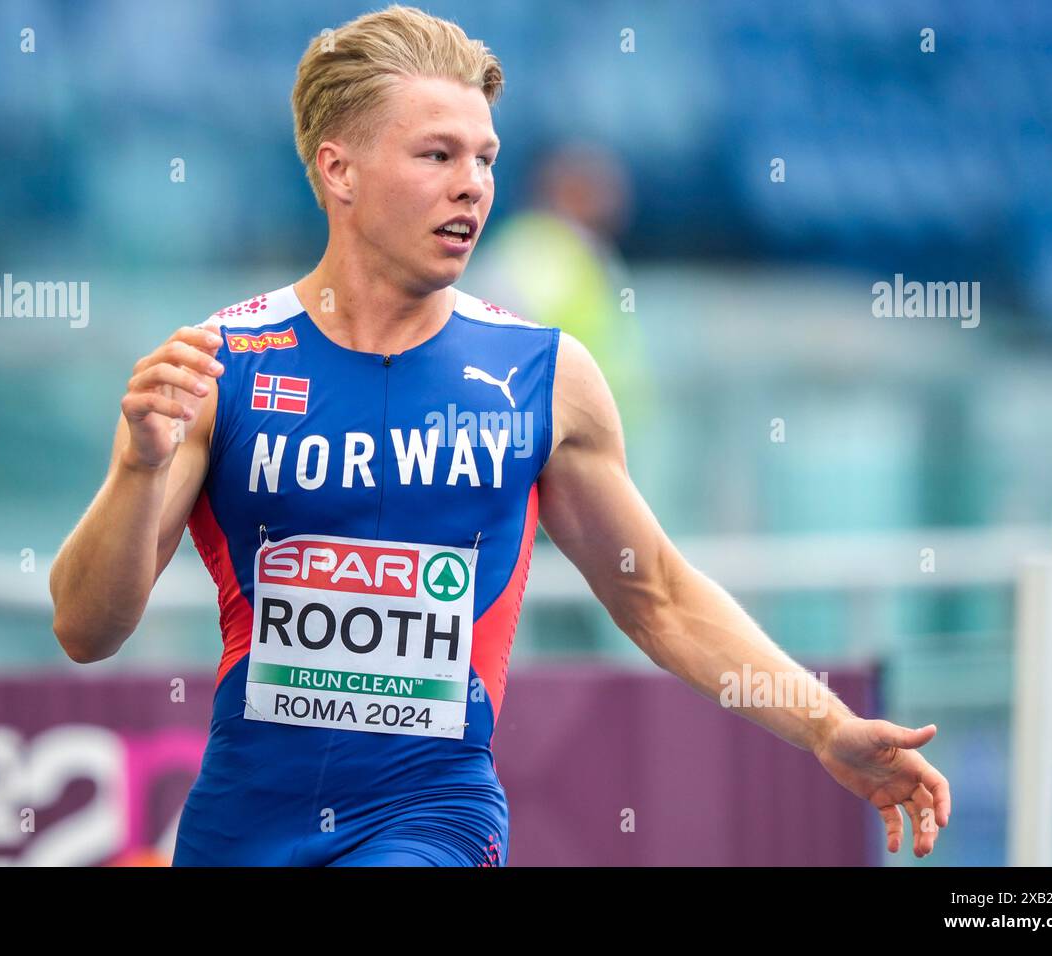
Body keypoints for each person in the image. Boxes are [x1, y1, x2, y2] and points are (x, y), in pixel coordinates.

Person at [49, 4, 950, 866]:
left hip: (431, 819)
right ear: (339, 171)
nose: (472, 184)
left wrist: (828, 725)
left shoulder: (545, 378)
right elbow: (85, 628)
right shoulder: (219, 366)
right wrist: (136, 467)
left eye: (484, 157)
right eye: (436, 154)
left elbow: (660, 596)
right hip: (240, 823)